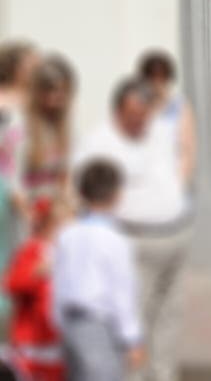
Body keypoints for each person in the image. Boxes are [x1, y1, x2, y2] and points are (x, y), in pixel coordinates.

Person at [72, 79, 188, 381]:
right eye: (133, 113)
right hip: (133, 239)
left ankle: (164, 375)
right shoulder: (100, 141)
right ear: (118, 111)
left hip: (174, 235)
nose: (139, 119)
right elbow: (82, 192)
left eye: (143, 112)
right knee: (133, 318)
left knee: (168, 317)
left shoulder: (159, 131)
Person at [53, 159, 144, 381]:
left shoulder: (67, 235)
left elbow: (57, 285)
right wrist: (132, 338)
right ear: (117, 195)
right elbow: (122, 292)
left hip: (70, 324)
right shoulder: (115, 240)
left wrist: (58, 324)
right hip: (100, 326)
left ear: (81, 192)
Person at [3, 198, 64, 381]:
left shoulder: (64, 250)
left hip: (57, 345)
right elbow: (12, 283)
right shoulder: (31, 249)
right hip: (32, 344)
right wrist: (38, 271)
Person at [0, 41, 38, 318]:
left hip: (33, 186)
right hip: (8, 188)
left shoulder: (35, 101)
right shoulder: (3, 102)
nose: (38, 67)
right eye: (31, 62)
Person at [23, 56, 75, 218]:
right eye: (51, 90)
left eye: (62, 91)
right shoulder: (22, 123)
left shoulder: (62, 126)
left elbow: (64, 176)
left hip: (52, 209)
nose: (57, 97)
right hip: (26, 207)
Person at [137, 50, 196, 186]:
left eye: (161, 77)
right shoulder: (138, 106)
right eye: (152, 77)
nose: (156, 83)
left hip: (171, 179)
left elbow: (187, 148)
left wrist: (179, 181)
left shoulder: (179, 107)